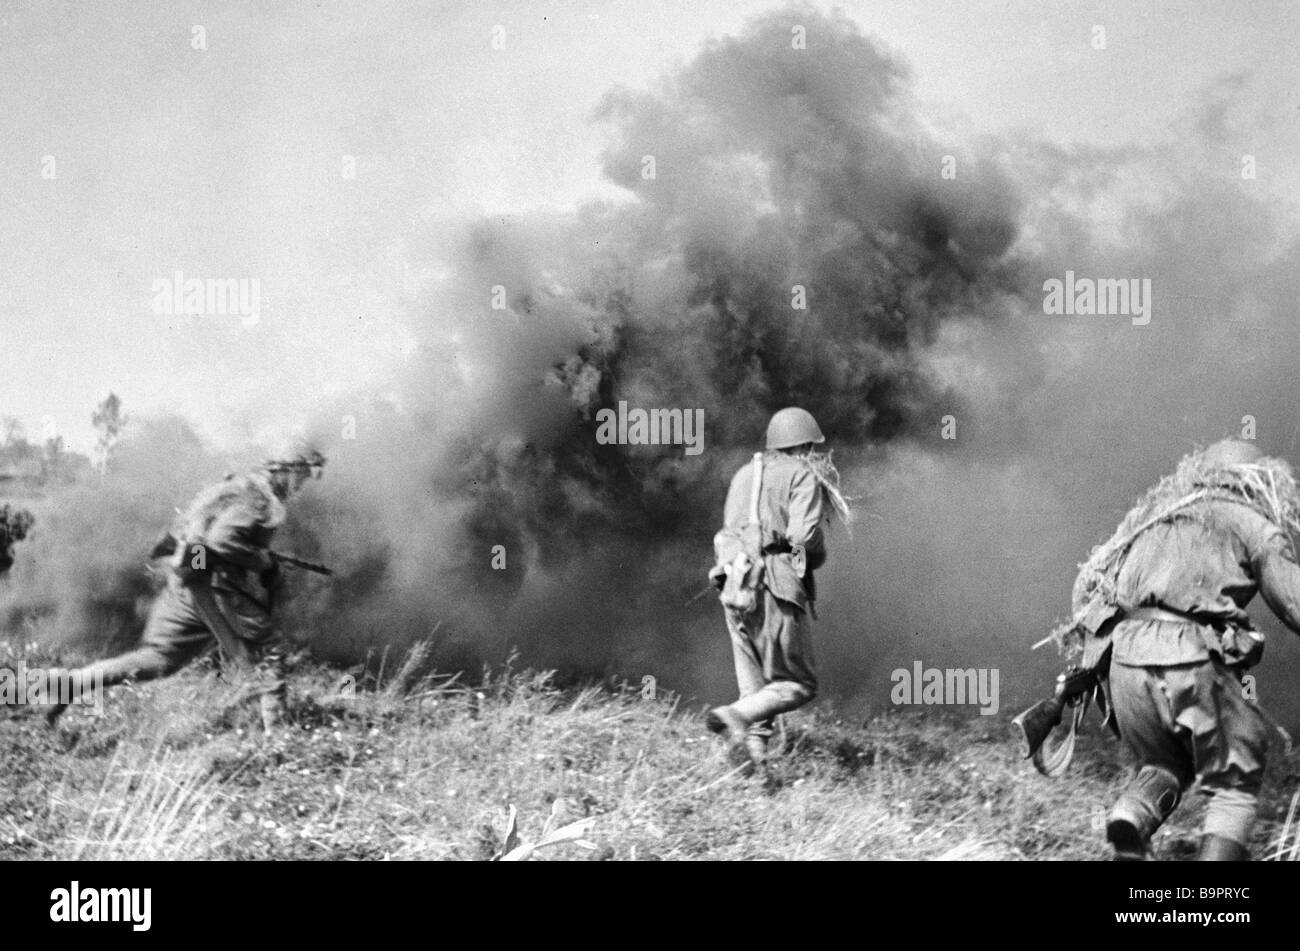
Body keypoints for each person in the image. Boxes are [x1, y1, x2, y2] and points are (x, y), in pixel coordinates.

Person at [1077, 439, 1300, 860]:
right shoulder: (1250, 522)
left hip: (1124, 665)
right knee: (1236, 776)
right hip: (1186, 659)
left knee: (1165, 765)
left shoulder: (1153, 519)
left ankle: (1130, 816)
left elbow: (1087, 587)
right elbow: (1293, 603)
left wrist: (1091, 668)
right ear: (1255, 481)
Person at [42, 448, 325, 733]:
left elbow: (204, 538)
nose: (303, 483)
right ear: (285, 469)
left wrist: (252, 553)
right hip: (217, 588)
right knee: (269, 656)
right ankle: (278, 743)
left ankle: (73, 683)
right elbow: (221, 540)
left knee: (160, 659)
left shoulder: (238, 487)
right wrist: (262, 561)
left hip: (190, 582)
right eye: (303, 473)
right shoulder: (261, 501)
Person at [705, 407, 850, 767]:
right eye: (810, 448)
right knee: (797, 684)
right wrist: (811, 559)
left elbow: (727, 533)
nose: (813, 455)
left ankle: (753, 771)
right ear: (800, 447)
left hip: (734, 587)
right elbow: (804, 538)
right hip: (774, 586)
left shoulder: (743, 476)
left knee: (756, 689)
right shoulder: (802, 475)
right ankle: (734, 717)